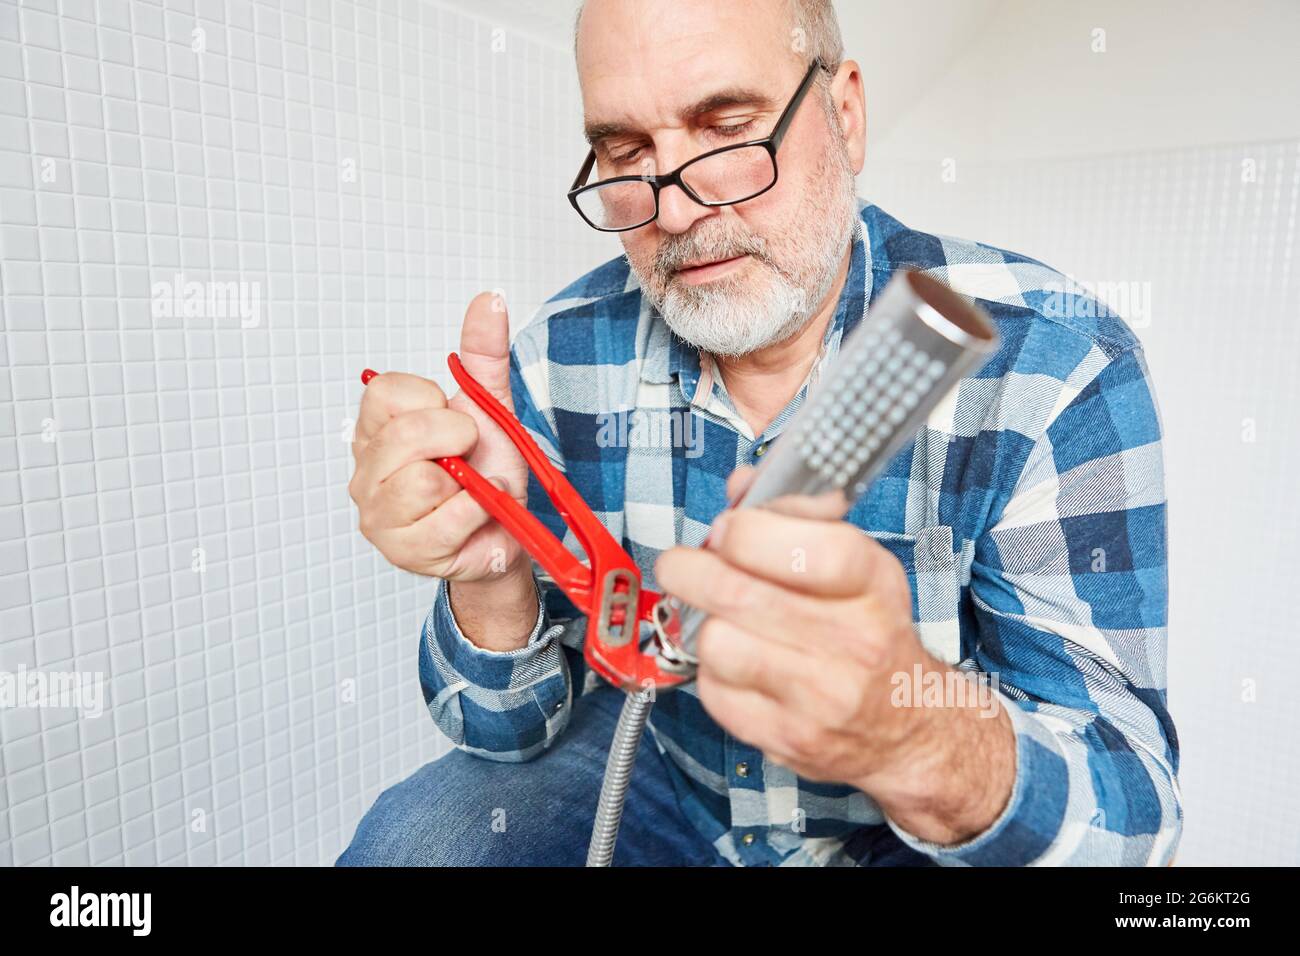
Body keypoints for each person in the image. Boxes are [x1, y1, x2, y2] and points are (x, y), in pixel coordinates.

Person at [337, 0, 1180, 866]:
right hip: (668, 770)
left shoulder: (1052, 364)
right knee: (416, 845)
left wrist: (915, 735)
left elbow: (1132, 824)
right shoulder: (557, 357)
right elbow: (502, 735)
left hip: (901, 832)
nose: (674, 212)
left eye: (727, 129)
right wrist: (491, 572)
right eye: (627, 153)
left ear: (844, 118)